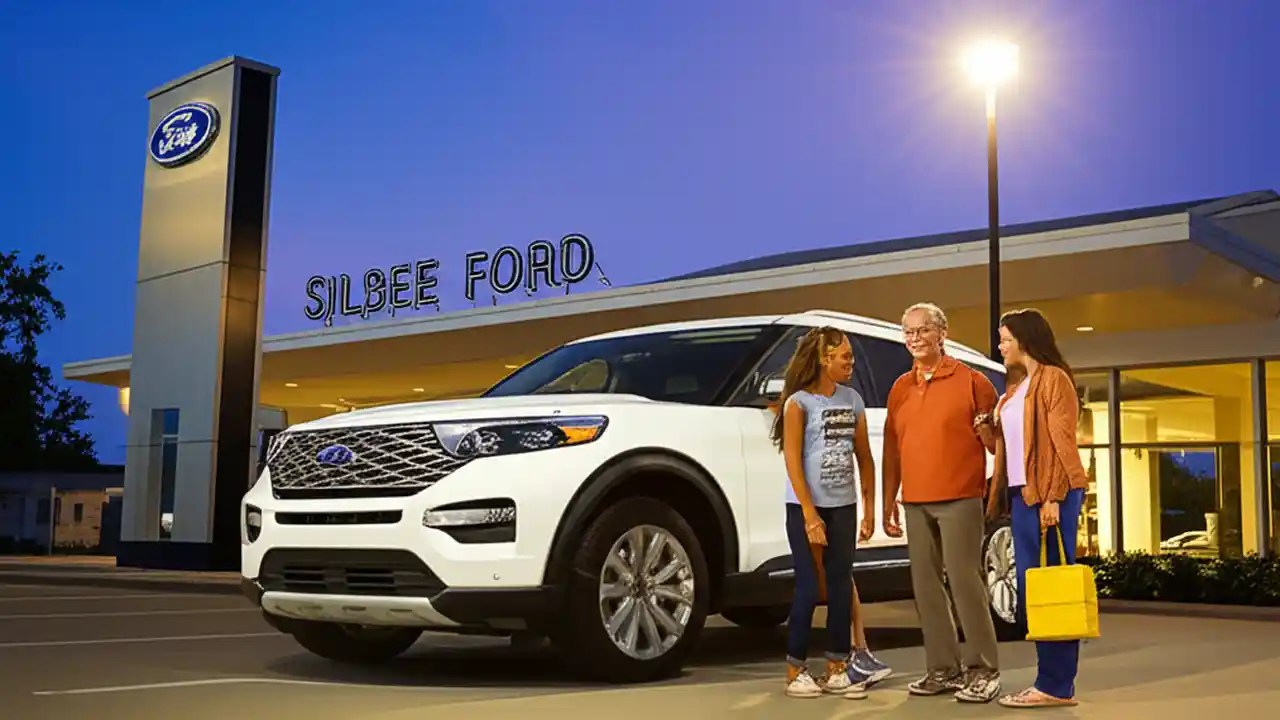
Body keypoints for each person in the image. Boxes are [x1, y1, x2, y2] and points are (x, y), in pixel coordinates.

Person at [881, 302, 1003, 703]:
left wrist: (987, 432)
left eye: (923, 331)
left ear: (942, 334)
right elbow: (893, 451)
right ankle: (943, 669)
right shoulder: (900, 386)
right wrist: (887, 501)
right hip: (915, 501)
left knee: (965, 582)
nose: (915, 339)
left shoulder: (973, 382)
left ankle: (984, 670)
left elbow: (993, 445)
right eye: (909, 333)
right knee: (926, 586)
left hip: (960, 498)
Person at [977, 308, 1088, 709]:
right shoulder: (1015, 388)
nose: (1000, 345)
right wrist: (988, 430)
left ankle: (1056, 686)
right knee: (1033, 590)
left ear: (1024, 339)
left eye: (1005, 338)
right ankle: (1051, 681)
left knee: (1052, 588)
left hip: (1049, 494)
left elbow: (1062, 444)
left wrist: (1053, 498)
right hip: (1024, 495)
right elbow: (1009, 451)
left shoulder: (1054, 380)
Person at [769, 326, 878, 699]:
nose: (851, 363)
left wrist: (869, 509)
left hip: (843, 504)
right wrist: (810, 515)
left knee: (839, 583)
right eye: (844, 356)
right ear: (823, 358)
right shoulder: (797, 403)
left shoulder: (852, 399)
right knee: (808, 586)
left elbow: (865, 458)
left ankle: (837, 666)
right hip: (806, 508)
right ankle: (795, 667)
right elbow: (793, 463)